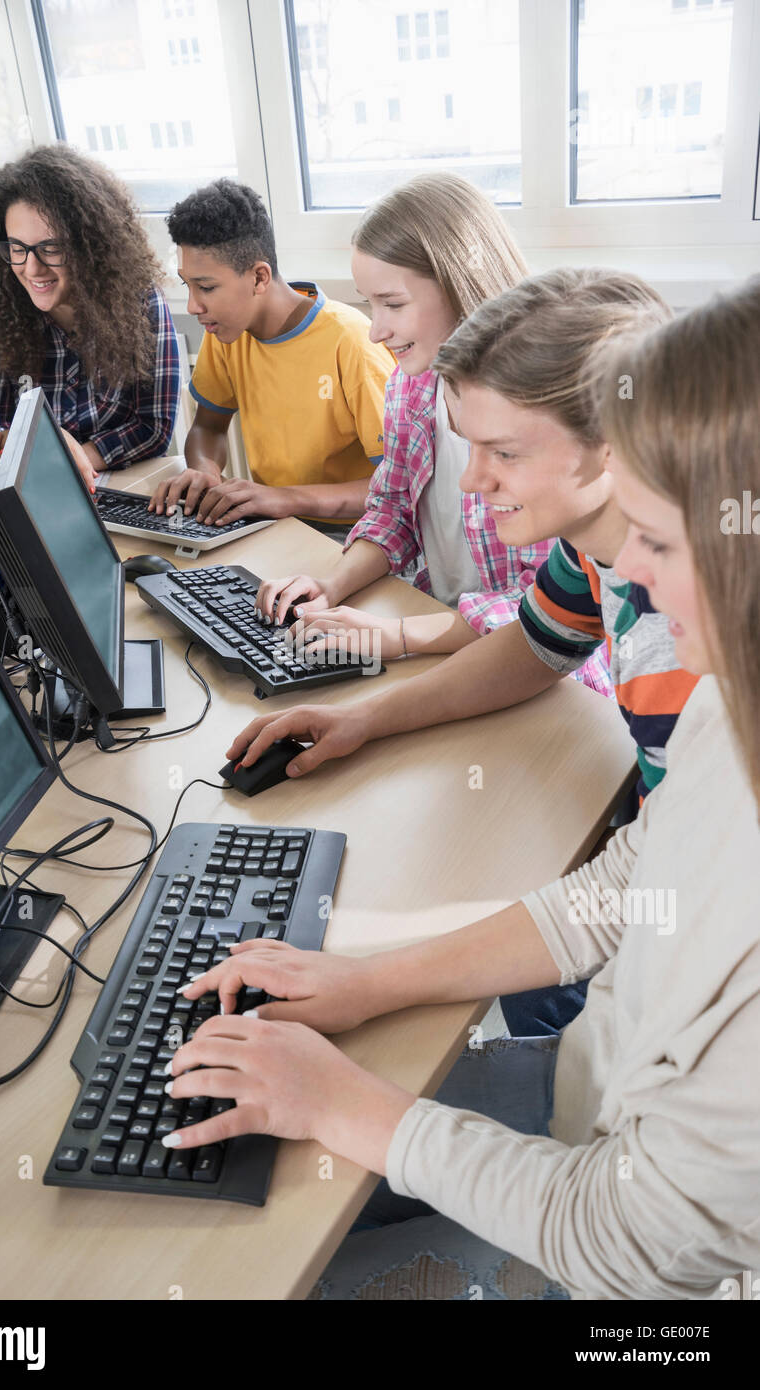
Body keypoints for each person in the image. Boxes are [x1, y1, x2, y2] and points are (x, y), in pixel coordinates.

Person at [163, 274, 760, 1300]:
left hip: (631, 1249)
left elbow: (627, 1239)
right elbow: (632, 878)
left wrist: (350, 1109)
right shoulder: (728, 694)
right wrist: (367, 980)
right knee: (234, 1158)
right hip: (599, 1086)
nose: (637, 588)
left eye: (656, 544)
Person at [253, 174, 607, 694]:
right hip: (433, 628)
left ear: (460, 282)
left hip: (543, 672)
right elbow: (393, 510)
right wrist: (331, 584)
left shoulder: (542, 411)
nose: (375, 329)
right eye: (369, 304)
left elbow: (546, 611)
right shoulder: (410, 385)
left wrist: (396, 635)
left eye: (392, 304)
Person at [147, 178, 394, 532]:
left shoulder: (352, 342)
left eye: (207, 287)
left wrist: (287, 497)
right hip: (275, 522)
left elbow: (398, 486)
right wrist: (204, 472)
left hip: (358, 532)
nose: (193, 305)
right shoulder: (225, 332)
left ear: (259, 277)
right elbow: (208, 428)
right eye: (188, 285)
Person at [0, 143, 180, 486]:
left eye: (50, 248)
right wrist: (42, 448)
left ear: (89, 244)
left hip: (126, 486)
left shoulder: (141, 303)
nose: (32, 268)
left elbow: (153, 428)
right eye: (17, 249)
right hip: (35, 487)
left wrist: (74, 454)